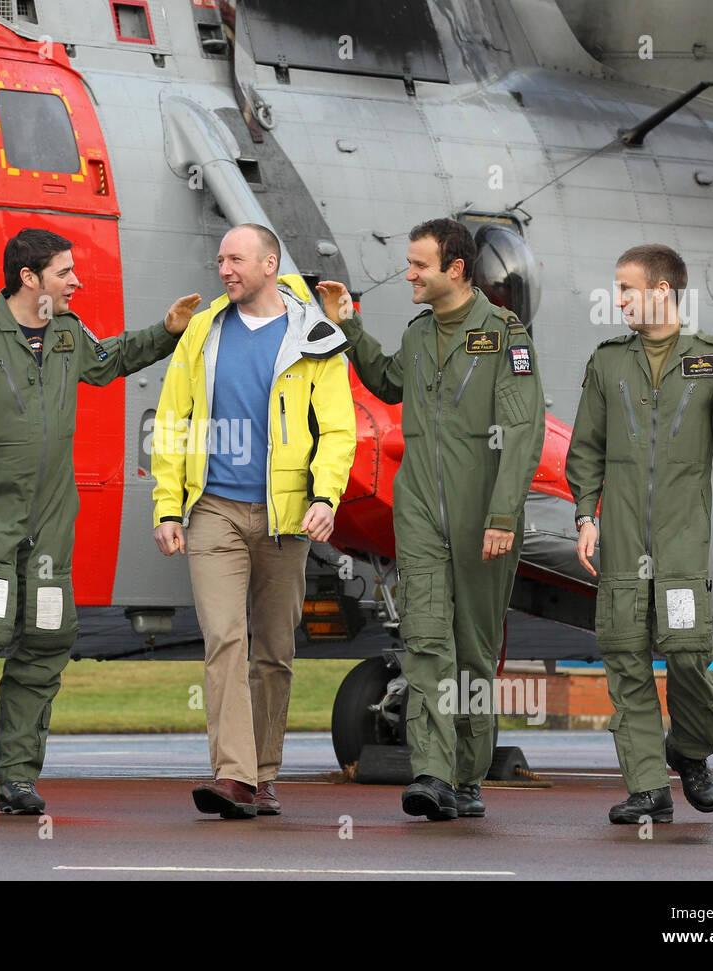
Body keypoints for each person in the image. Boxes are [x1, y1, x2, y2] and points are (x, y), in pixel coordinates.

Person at [0, 228, 198, 814]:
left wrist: (167, 333)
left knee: (44, 640)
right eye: (65, 272)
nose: (77, 281)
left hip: (48, 520)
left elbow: (110, 360)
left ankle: (17, 776)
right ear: (29, 279)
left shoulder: (67, 333)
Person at [316, 217, 544, 820]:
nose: (409, 274)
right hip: (420, 510)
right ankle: (432, 773)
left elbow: (522, 430)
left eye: (418, 265)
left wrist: (502, 515)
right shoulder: (419, 334)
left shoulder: (505, 337)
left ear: (455, 269)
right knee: (425, 642)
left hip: (483, 513)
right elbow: (387, 381)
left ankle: (467, 777)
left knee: (473, 648)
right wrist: (348, 327)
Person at [152, 224, 356, 819]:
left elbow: (338, 430)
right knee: (224, 640)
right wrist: (168, 505)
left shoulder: (315, 335)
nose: (224, 270)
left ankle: (265, 774)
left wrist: (326, 497)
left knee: (274, 650)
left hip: (286, 515)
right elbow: (173, 420)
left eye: (236, 259)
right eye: (220, 259)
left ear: (270, 264)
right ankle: (234, 776)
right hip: (211, 508)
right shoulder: (202, 330)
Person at [566, 244, 713, 824]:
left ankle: (691, 750)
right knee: (625, 660)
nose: (618, 299)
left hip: (679, 550)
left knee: (689, 658)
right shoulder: (607, 363)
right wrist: (585, 516)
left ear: (662, 291)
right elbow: (587, 449)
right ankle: (648, 787)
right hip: (621, 543)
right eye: (617, 288)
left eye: (627, 289)